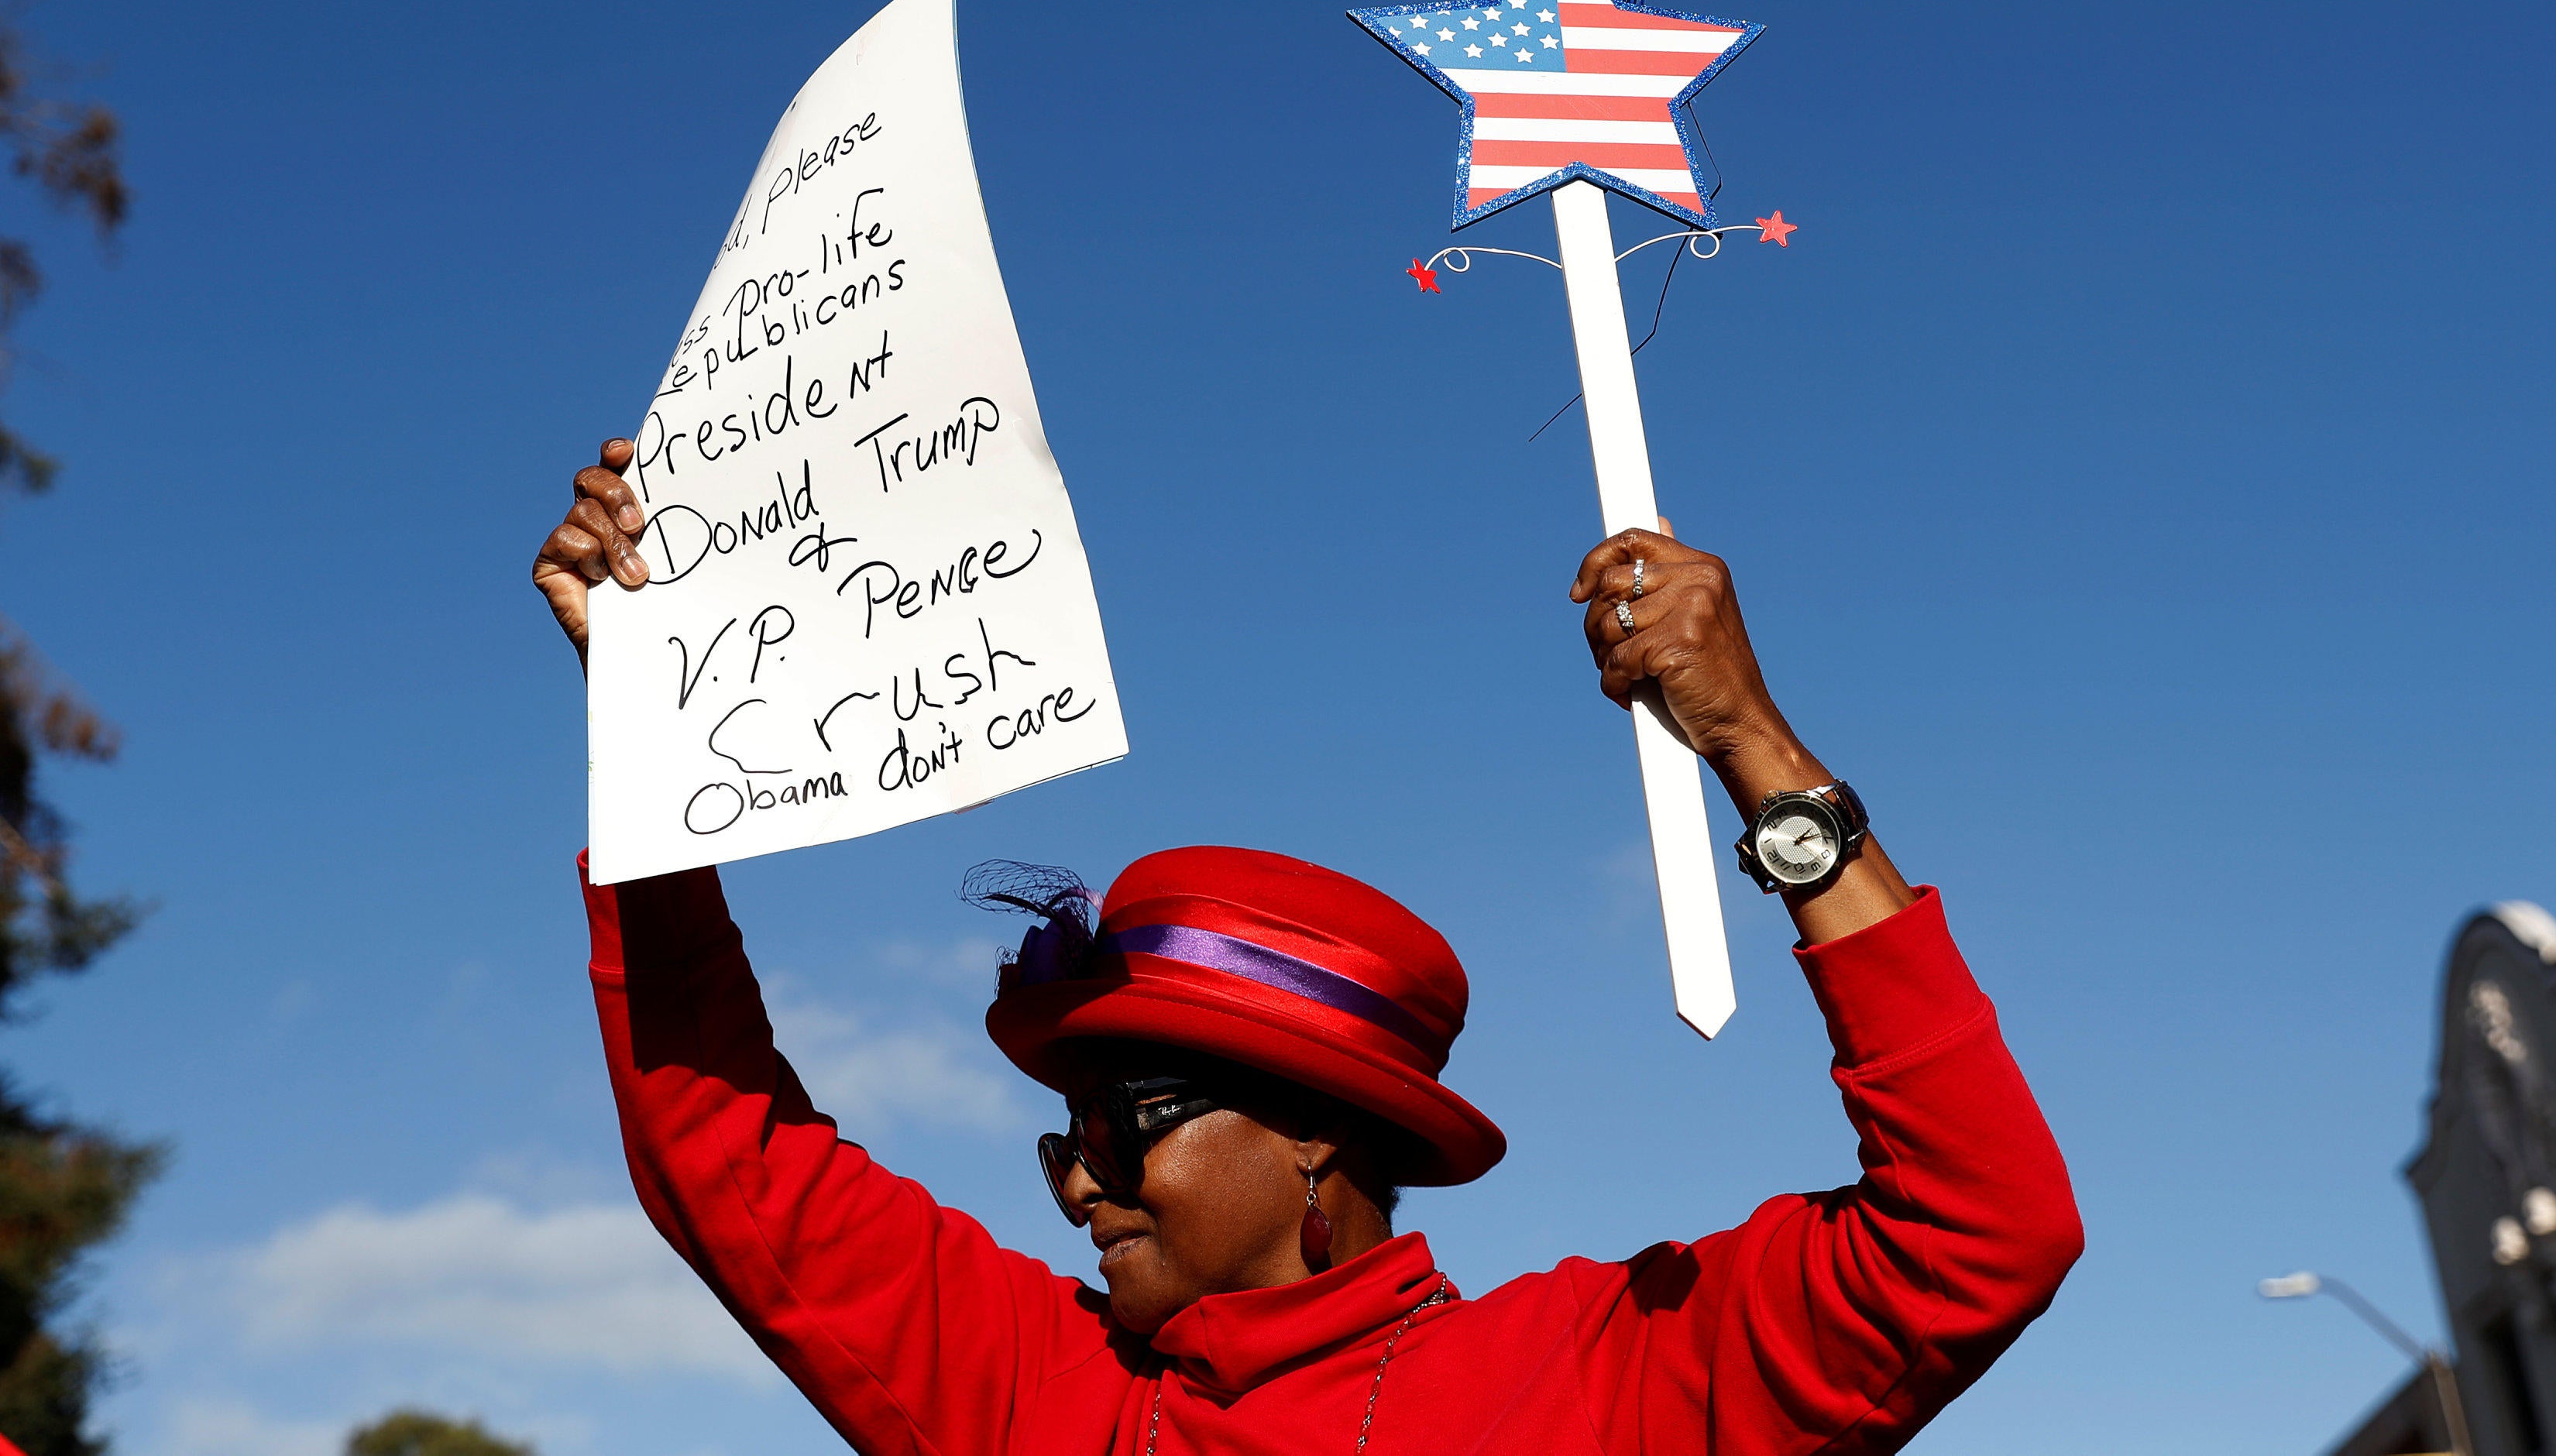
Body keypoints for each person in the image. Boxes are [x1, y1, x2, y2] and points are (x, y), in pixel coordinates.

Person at [534, 437, 2080, 1456]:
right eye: (1065, 1135)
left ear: (1314, 1137)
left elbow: (1982, 1233)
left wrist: (1752, 747)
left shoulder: (1603, 1377)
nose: (1074, 1180)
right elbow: (724, 1152)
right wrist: (657, 724)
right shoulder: (1053, 1395)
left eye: (1119, 1123)